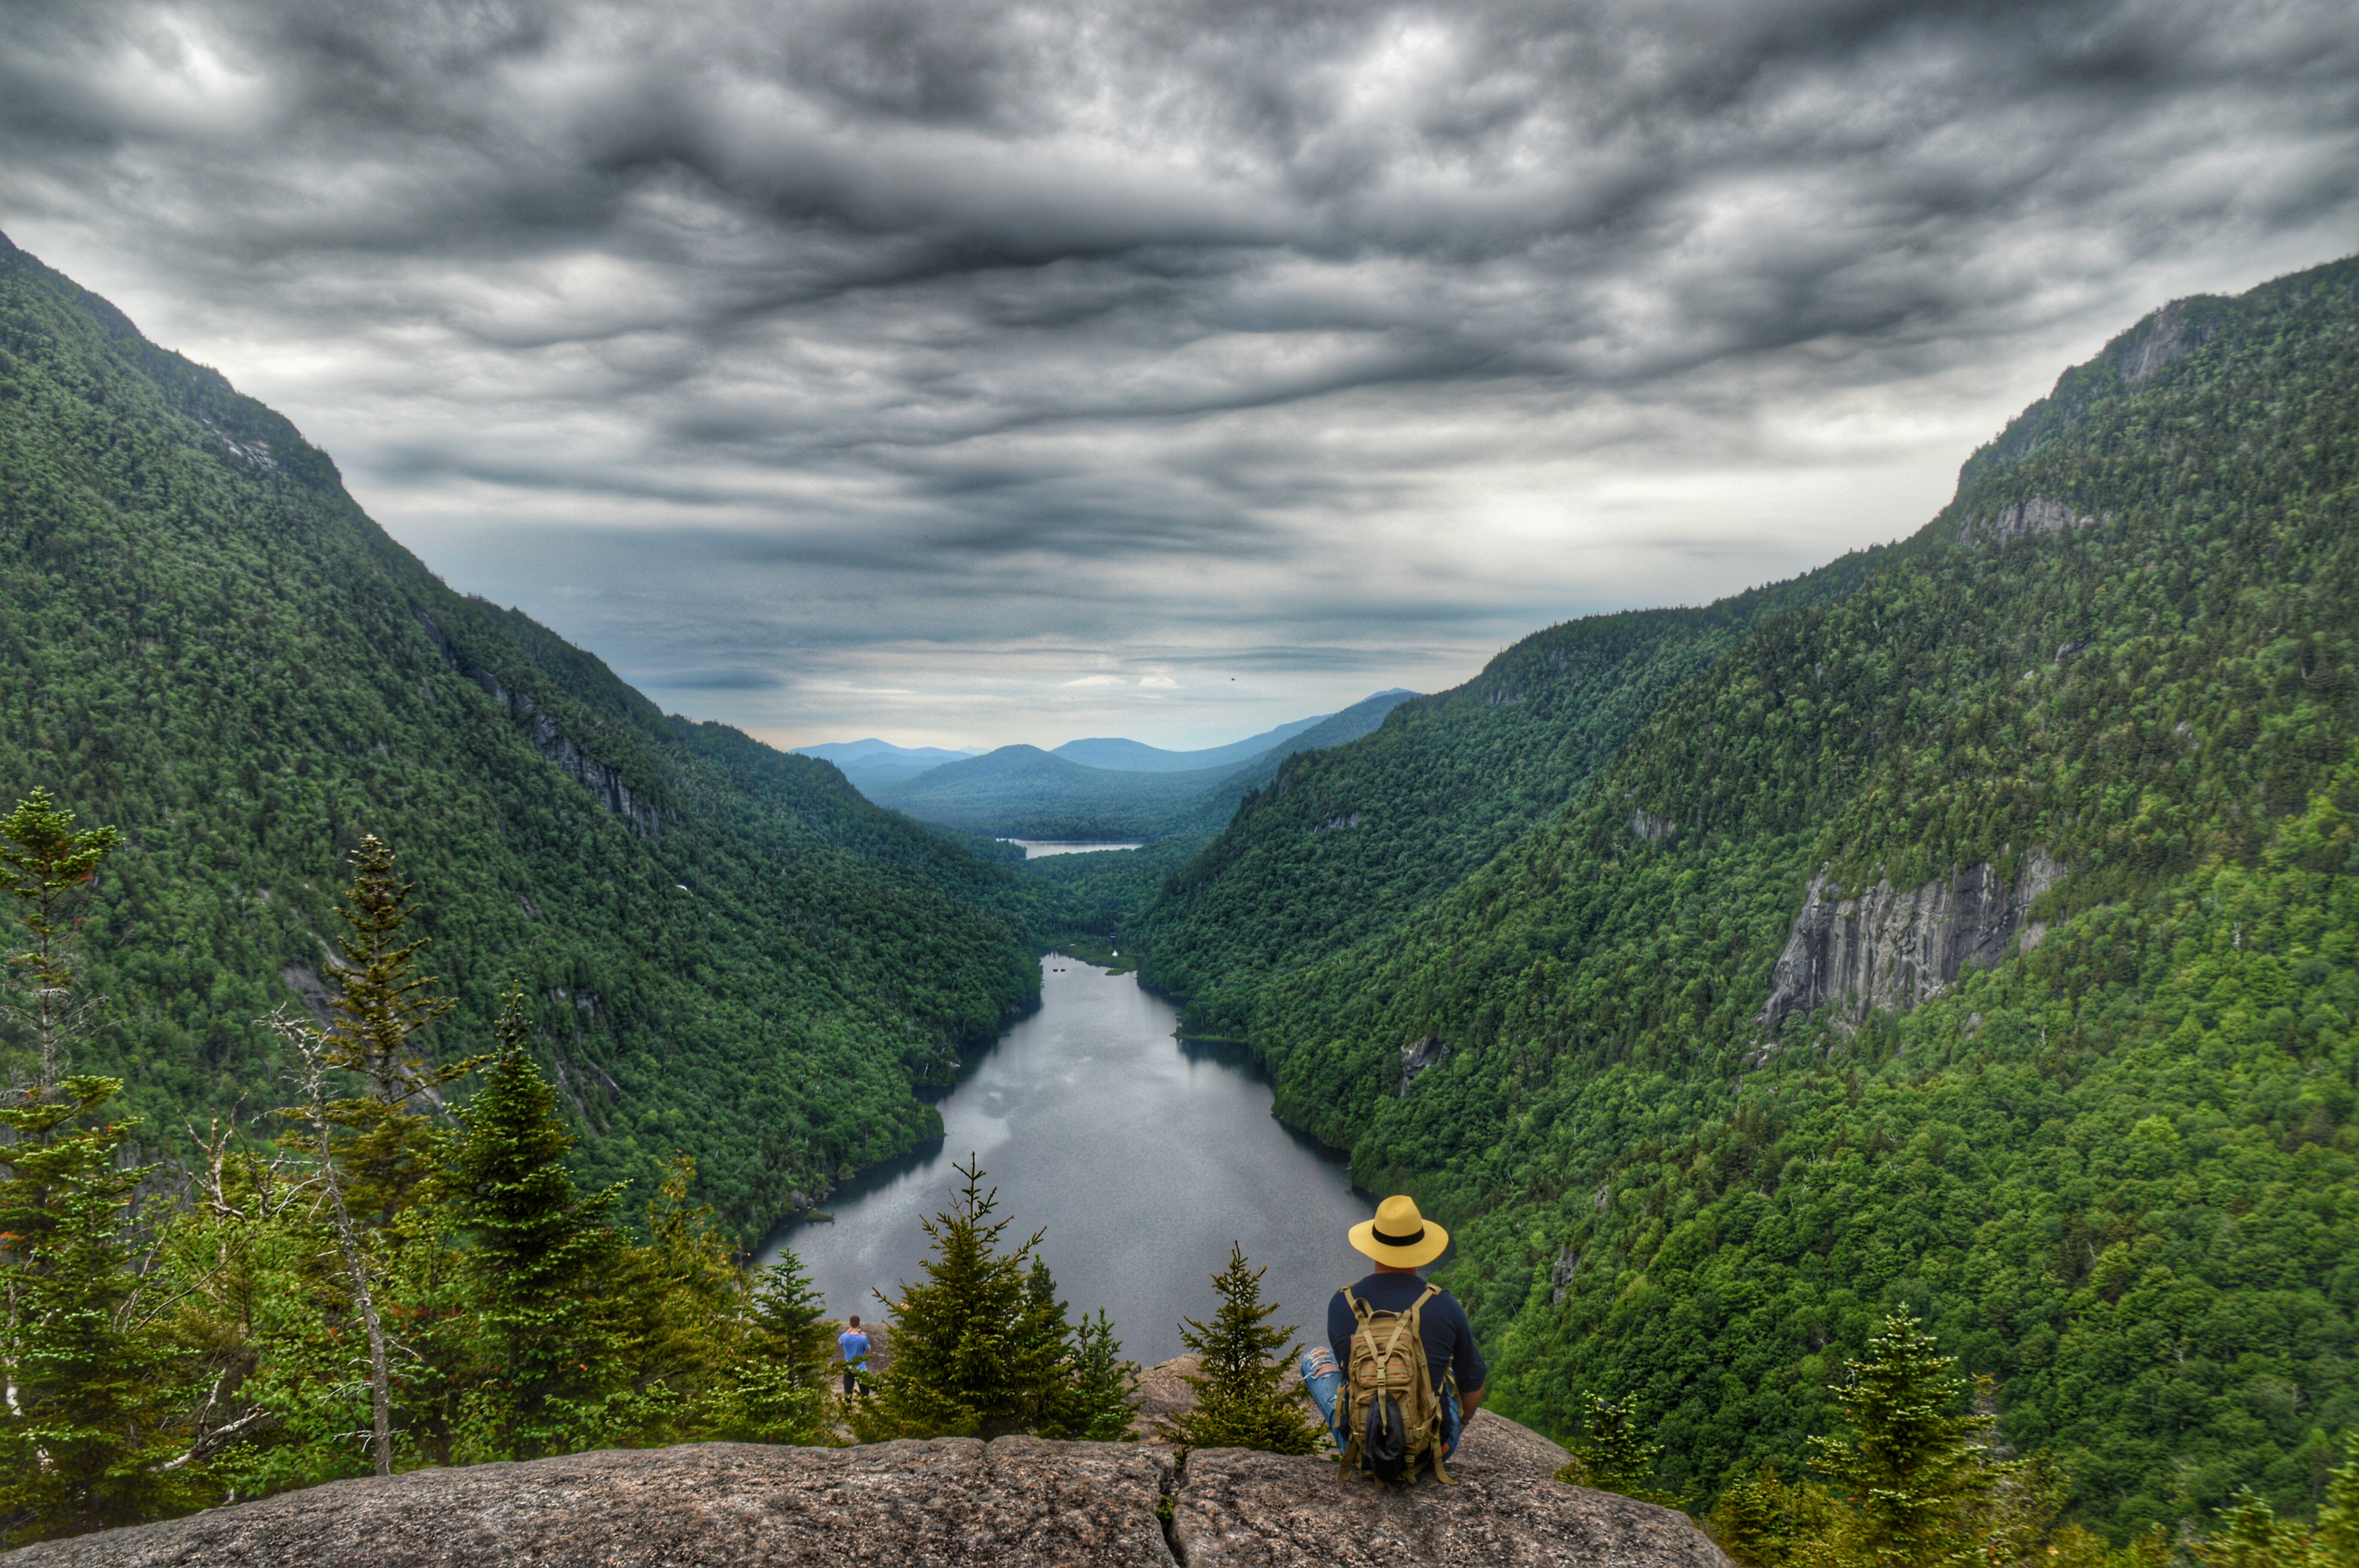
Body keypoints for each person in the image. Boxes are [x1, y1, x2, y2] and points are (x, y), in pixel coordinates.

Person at [1299, 1194, 1486, 1465]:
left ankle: (1359, 1439)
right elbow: (1474, 1383)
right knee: (1449, 1369)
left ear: (1373, 1245)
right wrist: (1461, 1423)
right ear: (1420, 1247)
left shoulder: (1342, 1304)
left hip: (1365, 1453)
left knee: (1316, 1359)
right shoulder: (1445, 1305)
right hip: (1430, 1451)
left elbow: (1349, 1378)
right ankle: (1438, 1439)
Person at [837, 1314, 871, 1399]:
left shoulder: (844, 1337)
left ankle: (847, 1410)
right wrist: (865, 1337)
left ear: (850, 1324)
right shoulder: (863, 1338)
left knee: (848, 1393)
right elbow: (868, 1351)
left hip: (848, 1367)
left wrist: (849, 1330)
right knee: (865, 1392)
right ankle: (866, 1409)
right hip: (860, 1368)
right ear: (859, 1324)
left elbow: (839, 1341)